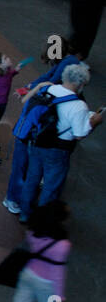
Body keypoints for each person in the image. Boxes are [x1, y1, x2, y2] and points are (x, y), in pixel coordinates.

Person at [18, 62, 102, 219]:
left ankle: (25, 213)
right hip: (58, 149)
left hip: (37, 141)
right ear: (81, 83)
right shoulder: (78, 105)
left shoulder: (48, 90)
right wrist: (95, 121)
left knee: (32, 178)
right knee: (51, 185)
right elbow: (79, 134)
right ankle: (42, 219)